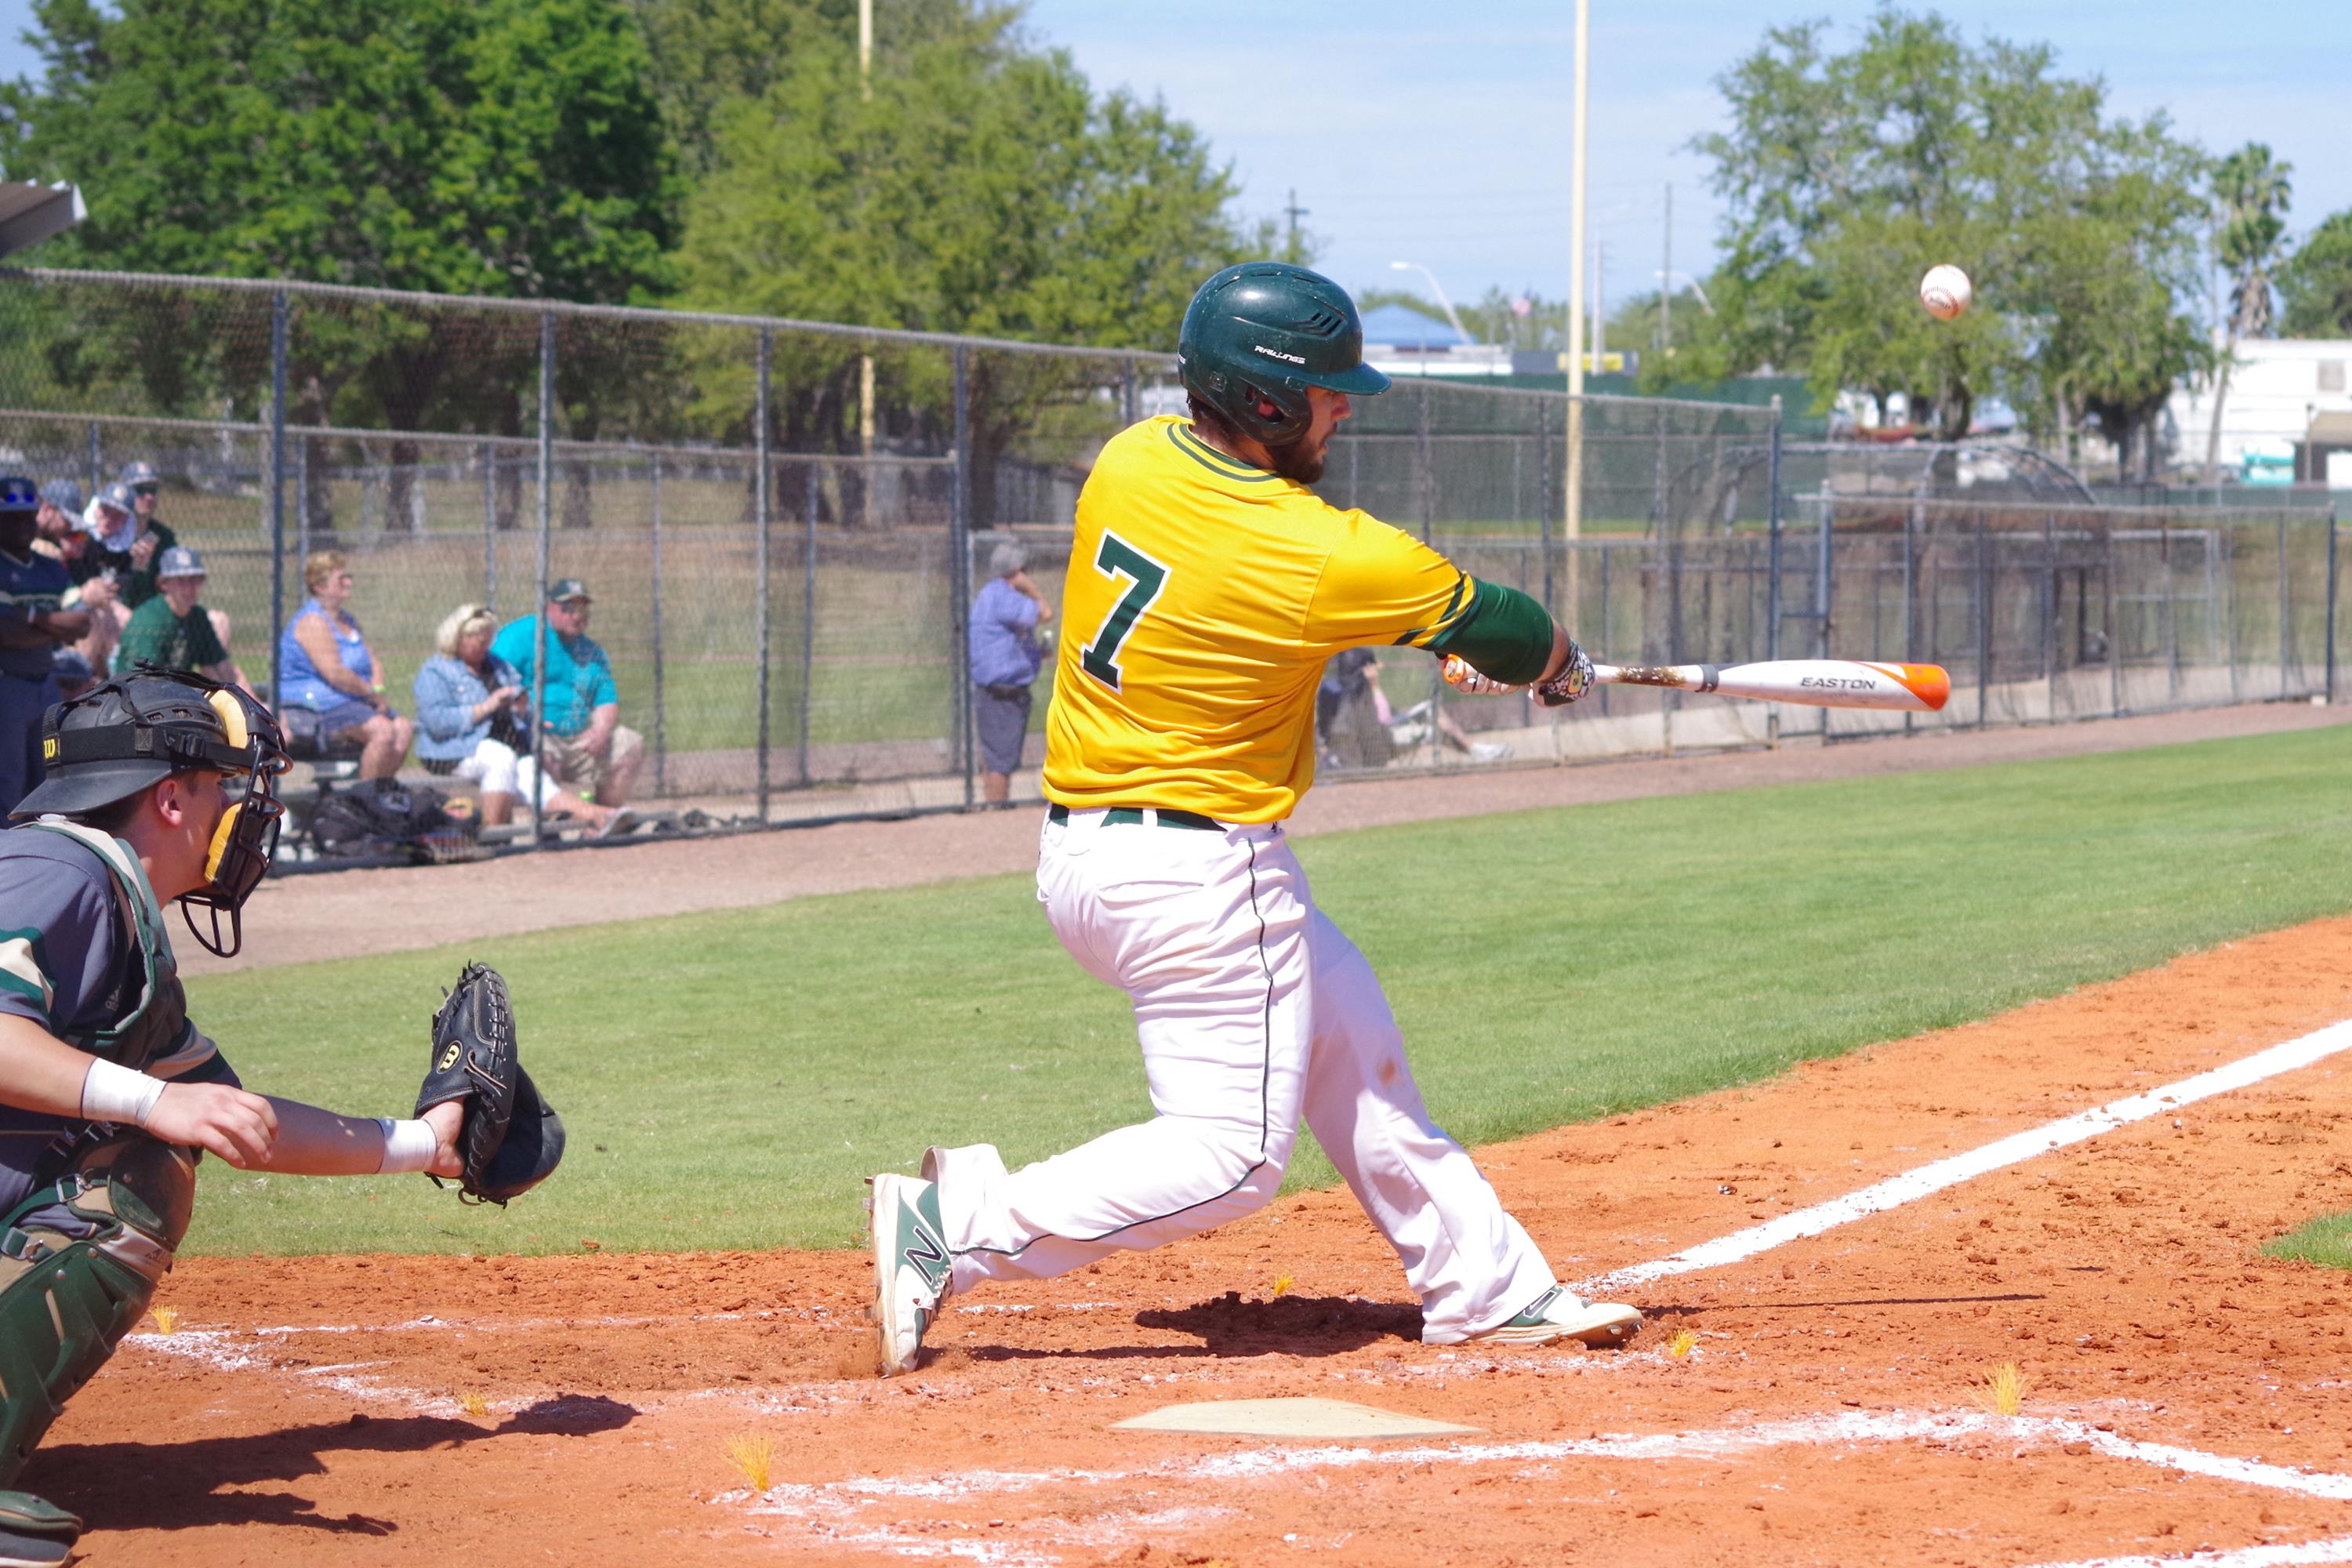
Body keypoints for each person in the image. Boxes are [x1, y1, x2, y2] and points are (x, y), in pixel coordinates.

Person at [867, 262, 1638, 1377]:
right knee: (1232, 1158)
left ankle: (1489, 1288)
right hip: (1201, 878)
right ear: (1268, 401)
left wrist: (1471, 648)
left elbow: (1270, 611)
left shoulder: (1129, 458)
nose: (1344, 407)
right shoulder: (1320, 548)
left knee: (1351, 1039)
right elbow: (1510, 624)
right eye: (1328, 391)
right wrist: (1554, 664)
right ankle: (958, 1229)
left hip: (1084, 858)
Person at [0, 669, 468, 1565]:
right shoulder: (61, 869)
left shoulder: (109, 907)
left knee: (163, 1135)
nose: (238, 813)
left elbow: (241, 1118)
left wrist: (429, 1146)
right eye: (222, 787)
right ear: (169, 798)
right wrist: (156, 1099)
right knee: (139, 1170)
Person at [413, 603, 615, 831]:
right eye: (479, 641)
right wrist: (486, 707)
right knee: (500, 757)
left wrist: (524, 713)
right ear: (458, 638)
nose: (484, 647)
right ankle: (492, 835)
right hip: (452, 750)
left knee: (531, 771)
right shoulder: (435, 671)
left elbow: (520, 704)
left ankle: (600, 816)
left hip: (505, 746)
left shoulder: (498, 666)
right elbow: (437, 723)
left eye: (487, 640)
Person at [491, 579, 643, 817]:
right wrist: (526, 718)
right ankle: (547, 826)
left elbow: (606, 701)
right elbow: (491, 681)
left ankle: (603, 820)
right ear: (548, 608)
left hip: (579, 738)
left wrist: (601, 730)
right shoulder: (520, 636)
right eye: (568, 609)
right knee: (545, 751)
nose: (576, 616)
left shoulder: (592, 652)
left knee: (630, 745)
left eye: (582, 609)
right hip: (532, 732)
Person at [277, 550, 412, 779]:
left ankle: (375, 789)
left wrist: (378, 691)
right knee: (383, 732)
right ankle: (363, 799)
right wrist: (369, 692)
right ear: (320, 586)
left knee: (404, 727)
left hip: (351, 700)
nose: (348, 582)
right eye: (341, 579)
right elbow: (334, 673)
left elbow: (372, 660)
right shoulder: (312, 622)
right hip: (316, 706)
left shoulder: (347, 620)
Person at [1, 477, 88, 815]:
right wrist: (55, 625)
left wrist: (33, 616)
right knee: (8, 787)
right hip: (7, 684)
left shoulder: (50, 568)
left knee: (47, 784)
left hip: (44, 685)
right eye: (12, 516)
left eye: (28, 515)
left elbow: (82, 623)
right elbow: (6, 633)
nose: (23, 524)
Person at [1317, 646, 1509, 769]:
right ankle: (1475, 750)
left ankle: (1475, 750)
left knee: (1429, 719)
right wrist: (1374, 686)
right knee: (1432, 716)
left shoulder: (1330, 689)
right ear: (1367, 669)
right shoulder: (1361, 691)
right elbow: (1383, 720)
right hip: (1382, 747)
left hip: (1347, 755)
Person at [967, 539, 1054, 804]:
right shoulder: (1006, 596)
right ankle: (998, 810)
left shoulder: (990, 593)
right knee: (1001, 760)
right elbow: (1046, 613)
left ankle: (993, 806)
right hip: (1003, 693)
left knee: (995, 756)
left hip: (994, 689)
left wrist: (1036, 653)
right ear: (1016, 570)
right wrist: (1032, 589)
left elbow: (1005, 642)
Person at [111, 546, 252, 698]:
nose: (189, 588)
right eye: (181, 581)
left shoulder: (198, 617)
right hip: (134, 702)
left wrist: (257, 708)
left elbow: (225, 669)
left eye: (194, 580)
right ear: (164, 584)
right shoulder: (150, 619)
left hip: (174, 695)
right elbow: (144, 682)